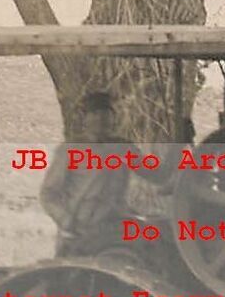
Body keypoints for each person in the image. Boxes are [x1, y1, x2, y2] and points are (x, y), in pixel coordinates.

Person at [39, 91, 185, 257]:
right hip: (81, 228)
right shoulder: (70, 150)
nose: (101, 119)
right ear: (85, 119)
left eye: (106, 114)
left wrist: (178, 145)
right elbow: (48, 193)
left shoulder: (123, 148)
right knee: (72, 275)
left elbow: (159, 175)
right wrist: (66, 220)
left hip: (114, 224)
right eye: (95, 114)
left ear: (113, 118)